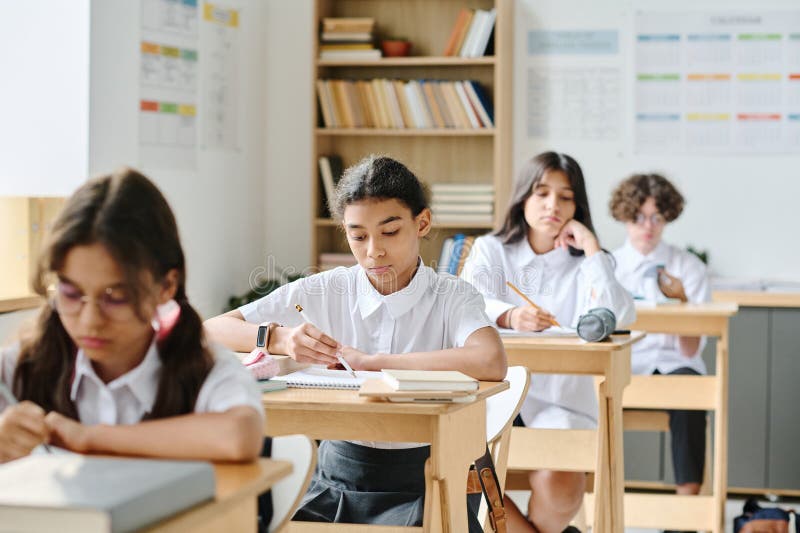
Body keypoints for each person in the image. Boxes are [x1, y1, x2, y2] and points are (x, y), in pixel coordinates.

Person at [204, 155, 506, 529]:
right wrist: (279, 337)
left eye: (390, 232)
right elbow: (208, 330)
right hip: (336, 480)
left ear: (422, 223)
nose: (373, 251)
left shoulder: (452, 296)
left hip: (430, 477)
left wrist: (375, 362)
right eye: (358, 236)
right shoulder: (326, 288)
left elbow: (490, 359)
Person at [0, 168, 264, 463]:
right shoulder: (18, 367)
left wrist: (89, 438)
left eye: (115, 297)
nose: (90, 321)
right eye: (71, 294)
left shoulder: (205, 369)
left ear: (166, 286)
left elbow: (239, 436)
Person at [460, 151, 635, 533]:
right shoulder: (492, 249)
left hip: (560, 400)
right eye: (541, 193)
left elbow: (620, 314)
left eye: (565, 196)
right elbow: (467, 304)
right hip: (493, 398)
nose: (552, 205)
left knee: (563, 486)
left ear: (578, 205)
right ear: (523, 197)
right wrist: (509, 316)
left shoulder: (590, 262)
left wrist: (591, 247)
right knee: (461, 474)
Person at [610, 173, 709, 507]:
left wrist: (683, 303)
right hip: (626, 365)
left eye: (656, 217)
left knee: (690, 393)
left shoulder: (689, 267)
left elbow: (690, 350)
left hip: (673, 364)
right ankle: (597, 502)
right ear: (625, 216)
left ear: (667, 217)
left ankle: (685, 511)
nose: (647, 227)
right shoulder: (608, 266)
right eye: (638, 218)